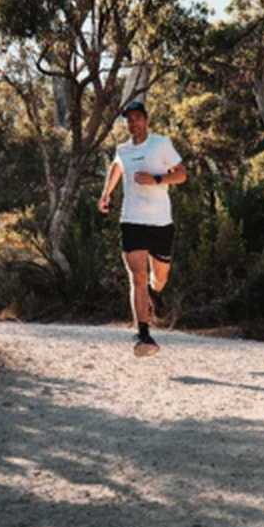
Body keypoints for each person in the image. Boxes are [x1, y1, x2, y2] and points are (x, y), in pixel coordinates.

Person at [97, 99, 187, 356]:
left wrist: (156, 179)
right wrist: (106, 194)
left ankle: (154, 293)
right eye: (129, 119)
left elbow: (181, 174)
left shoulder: (161, 144)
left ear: (146, 119)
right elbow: (116, 166)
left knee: (159, 278)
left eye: (137, 117)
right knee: (136, 277)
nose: (133, 122)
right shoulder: (123, 149)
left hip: (160, 223)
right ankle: (144, 335)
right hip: (131, 220)